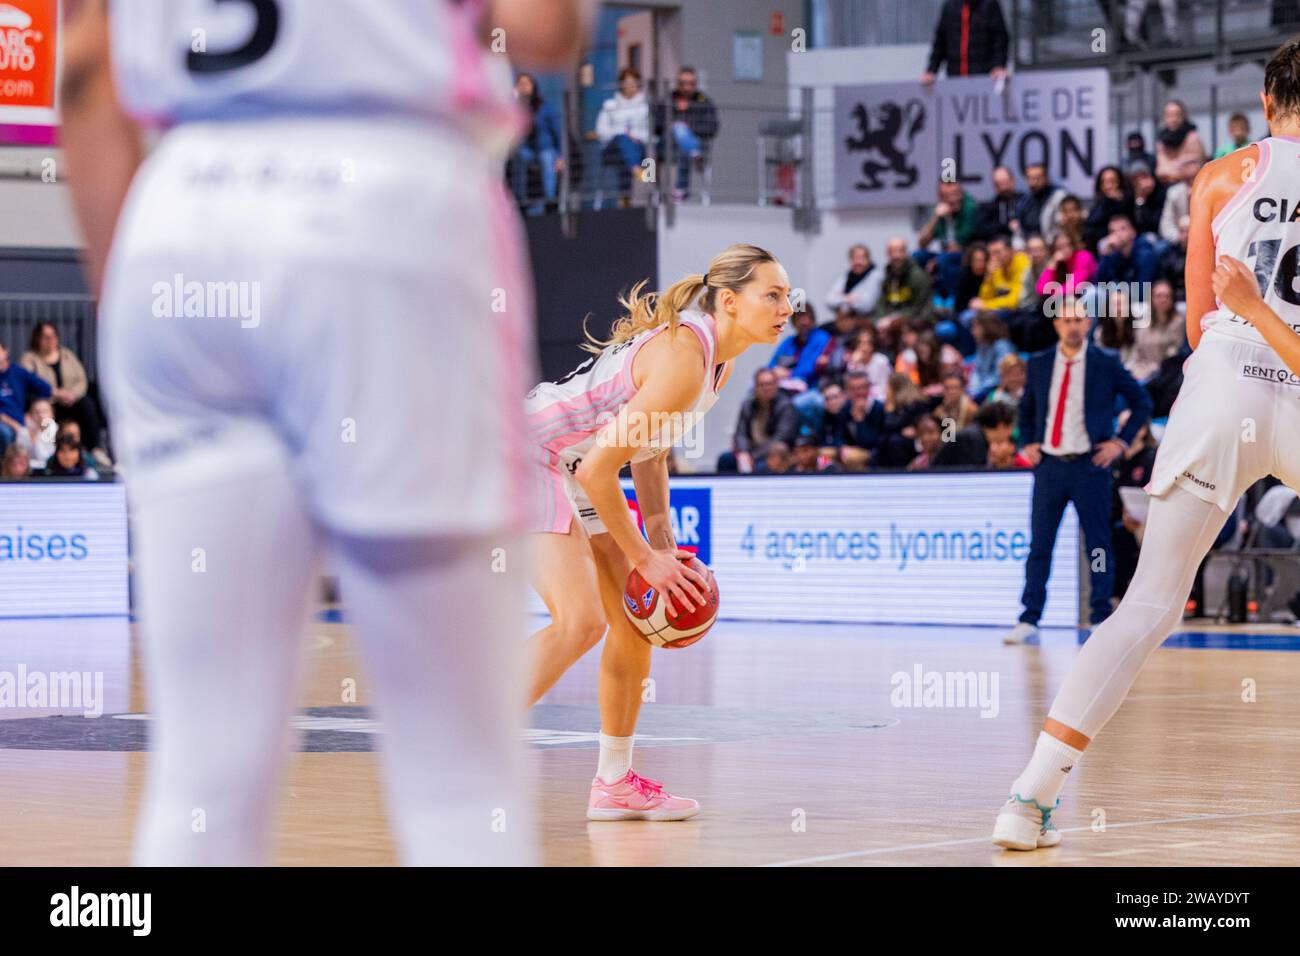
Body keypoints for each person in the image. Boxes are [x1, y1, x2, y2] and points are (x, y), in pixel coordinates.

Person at [60, 0, 592, 866]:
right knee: (461, 783)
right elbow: (542, 28)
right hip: (387, 207)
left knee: (203, 775)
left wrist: (134, 305)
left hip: (183, 212)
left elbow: (85, 70)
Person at [992, 35, 1300, 843]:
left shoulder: (1218, 176)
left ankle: (1029, 798)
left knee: (1146, 607)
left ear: (1266, 104)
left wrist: (1252, 324)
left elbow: (1199, 324)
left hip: (1226, 380)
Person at [524, 244, 792, 819]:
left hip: (573, 464)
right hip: (535, 454)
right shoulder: (684, 358)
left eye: (788, 296)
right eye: (772, 294)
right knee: (581, 621)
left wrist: (663, 544)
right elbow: (599, 470)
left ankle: (613, 783)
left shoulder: (718, 360)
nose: (785, 307)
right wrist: (645, 558)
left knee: (631, 626)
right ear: (729, 300)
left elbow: (647, 456)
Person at [1002, 296, 1152, 649]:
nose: (1072, 326)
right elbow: (1026, 410)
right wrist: (1027, 442)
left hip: (1090, 466)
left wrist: (1120, 442)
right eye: (1066, 320)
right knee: (1040, 544)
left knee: (1098, 544)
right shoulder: (1038, 363)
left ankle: (1100, 615)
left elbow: (1142, 401)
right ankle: (1029, 618)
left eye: (1079, 320)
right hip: (1050, 466)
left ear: (1088, 324)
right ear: (1056, 324)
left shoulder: (1105, 362)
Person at [723, 366, 799, 473]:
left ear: (776, 385)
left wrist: (753, 456)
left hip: (772, 453)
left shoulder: (786, 406)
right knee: (725, 460)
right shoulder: (747, 405)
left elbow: (781, 438)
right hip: (750, 451)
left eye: (769, 384)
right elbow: (740, 433)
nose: (766, 388)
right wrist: (744, 453)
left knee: (765, 464)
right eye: (762, 384)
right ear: (755, 387)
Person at [509, 72, 565, 215]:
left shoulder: (544, 108)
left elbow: (558, 134)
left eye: (526, 84)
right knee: (519, 156)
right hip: (527, 151)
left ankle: (550, 201)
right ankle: (521, 201)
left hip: (546, 148)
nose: (524, 88)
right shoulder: (516, 109)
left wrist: (561, 156)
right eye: (520, 84)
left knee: (547, 159)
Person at [596, 68, 652, 206]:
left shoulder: (645, 107)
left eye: (633, 82)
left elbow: (648, 132)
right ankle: (636, 170)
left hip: (637, 148)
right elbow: (601, 131)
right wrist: (622, 134)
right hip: (612, 147)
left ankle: (625, 200)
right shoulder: (610, 105)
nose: (630, 86)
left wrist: (635, 137)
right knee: (623, 140)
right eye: (626, 82)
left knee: (626, 155)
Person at [921, 0, 1009, 84]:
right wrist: (931, 70)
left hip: (984, 78)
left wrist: (999, 65)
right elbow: (940, 43)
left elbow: (1000, 40)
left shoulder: (989, 4)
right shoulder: (949, 6)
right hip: (954, 78)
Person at [666, 67, 719, 201]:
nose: (687, 87)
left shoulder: (703, 101)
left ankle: (680, 190)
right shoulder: (669, 99)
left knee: (683, 143)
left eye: (691, 83)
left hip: (698, 142)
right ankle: (695, 154)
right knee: (677, 132)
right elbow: (657, 123)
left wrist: (688, 125)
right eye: (683, 83)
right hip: (669, 144)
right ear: (678, 84)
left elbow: (712, 127)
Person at [0, 341, 55, 456]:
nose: (40, 414)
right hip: (8, 425)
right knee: (5, 433)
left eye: (44, 411)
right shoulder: (23, 429)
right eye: (37, 412)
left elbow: (45, 387)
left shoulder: (17, 372)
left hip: (21, 422)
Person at [1154, 99, 1207, 184]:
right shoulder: (1161, 142)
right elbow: (1160, 171)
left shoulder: (1192, 138)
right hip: (1165, 186)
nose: (1173, 119)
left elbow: (1194, 168)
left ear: (1183, 117)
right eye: (1169, 115)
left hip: (1188, 186)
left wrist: (1170, 172)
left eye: (1177, 115)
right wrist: (1179, 170)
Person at [825, 244, 883, 320]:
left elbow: (866, 306)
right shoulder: (847, 276)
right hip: (845, 320)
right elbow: (829, 300)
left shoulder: (876, 276)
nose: (858, 262)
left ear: (869, 259)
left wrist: (841, 297)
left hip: (868, 321)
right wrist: (848, 299)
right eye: (855, 258)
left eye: (862, 258)